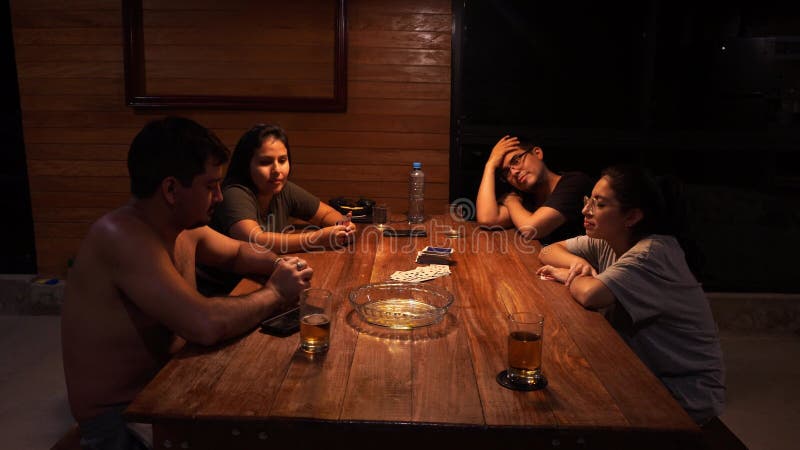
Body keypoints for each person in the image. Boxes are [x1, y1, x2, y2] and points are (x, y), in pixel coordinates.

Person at [61, 117, 314, 449]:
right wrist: (277, 291)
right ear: (170, 189)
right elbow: (204, 323)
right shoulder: (122, 236)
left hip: (169, 389)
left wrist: (281, 265)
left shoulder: (185, 226)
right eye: (210, 186)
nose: (220, 197)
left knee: (287, 395)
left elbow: (238, 252)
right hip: (121, 419)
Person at [536, 164, 725, 425]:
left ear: (632, 217)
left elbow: (590, 294)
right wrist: (575, 264)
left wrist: (569, 274)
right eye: (588, 200)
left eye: (599, 204)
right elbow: (548, 251)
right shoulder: (607, 238)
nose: (585, 210)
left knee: (560, 407)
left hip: (681, 392)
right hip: (642, 373)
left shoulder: (652, 253)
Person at [475, 135, 593, 244]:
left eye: (516, 160)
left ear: (537, 153)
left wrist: (511, 202)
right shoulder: (526, 196)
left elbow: (531, 229)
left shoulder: (575, 183)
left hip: (585, 265)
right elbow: (487, 218)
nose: (514, 172)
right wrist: (490, 165)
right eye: (506, 172)